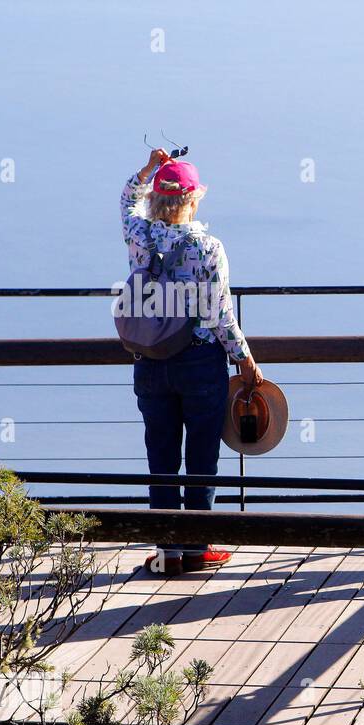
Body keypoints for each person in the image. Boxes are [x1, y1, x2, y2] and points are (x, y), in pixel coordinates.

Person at [121, 147, 264, 575]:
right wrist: (245, 358)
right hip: (200, 363)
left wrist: (147, 169)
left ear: (155, 200)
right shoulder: (207, 247)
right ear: (192, 200)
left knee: (160, 456)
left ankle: (167, 553)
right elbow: (220, 314)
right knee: (201, 457)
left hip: (150, 362)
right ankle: (198, 547)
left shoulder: (139, 236)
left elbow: (126, 202)